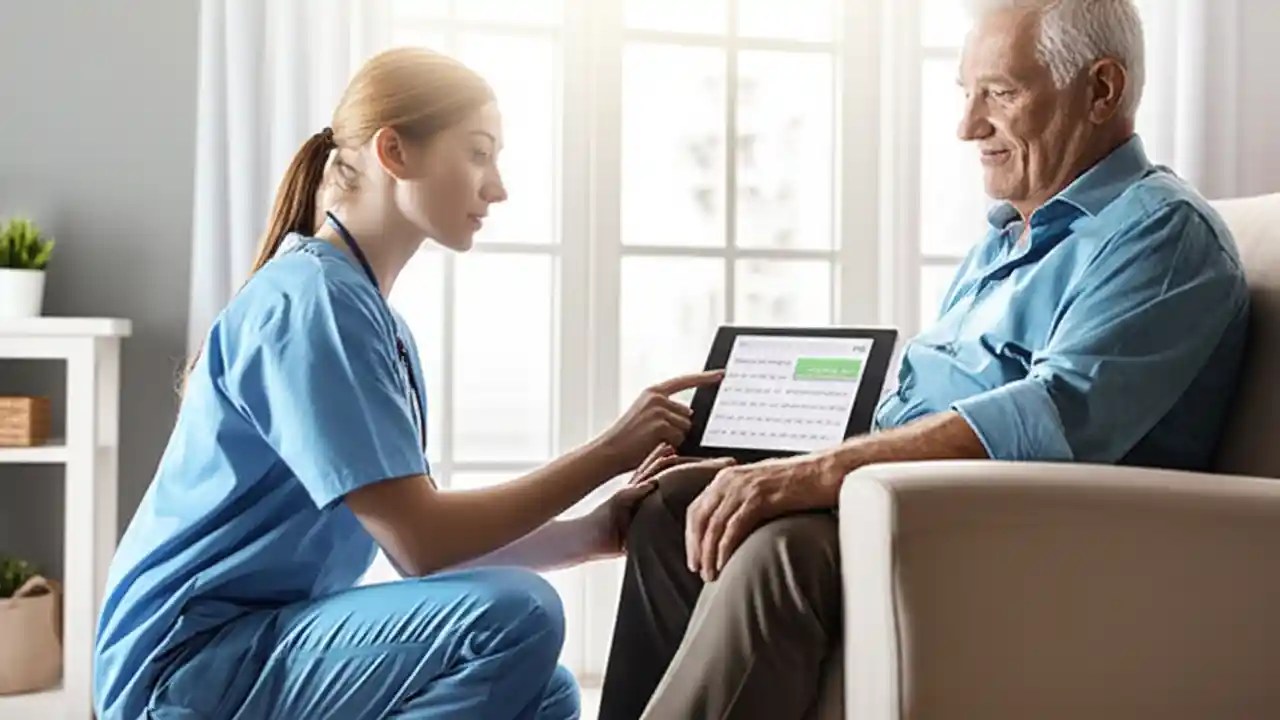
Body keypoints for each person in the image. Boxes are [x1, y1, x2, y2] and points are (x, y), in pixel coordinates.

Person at [599, 0, 1251, 717]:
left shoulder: (1162, 233)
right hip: (914, 502)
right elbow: (924, 406)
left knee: (777, 548)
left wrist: (807, 477)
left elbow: (1053, 418)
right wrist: (765, 462)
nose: (968, 126)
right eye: (967, 93)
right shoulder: (1003, 238)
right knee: (673, 511)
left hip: (1023, 536)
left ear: (1101, 89)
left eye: (1000, 93)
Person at [92, 47, 729, 720]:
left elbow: (421, 542)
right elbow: (421, 543)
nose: (497, 188)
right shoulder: (314, 305)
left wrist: (596, 531)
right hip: (180, 670)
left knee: (548, 695)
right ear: (393, 152)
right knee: (518, 617)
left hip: (248, 650)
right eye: (478, 154)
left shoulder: (364, 313)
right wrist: (608, 452)